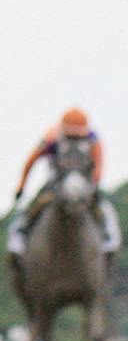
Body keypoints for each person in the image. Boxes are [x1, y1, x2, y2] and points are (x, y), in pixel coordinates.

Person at [7, 106, 118, 260]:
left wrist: (94, 185)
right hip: (56, 182)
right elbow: (30, 161)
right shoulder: (51, 138)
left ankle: (109, 238)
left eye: (78, 135)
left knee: (105, 209)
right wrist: (22, 185)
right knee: (33, 205)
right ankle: (19, 236)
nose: (75, 138)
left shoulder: (93, 139)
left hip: (85, 182)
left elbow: (99, 164)